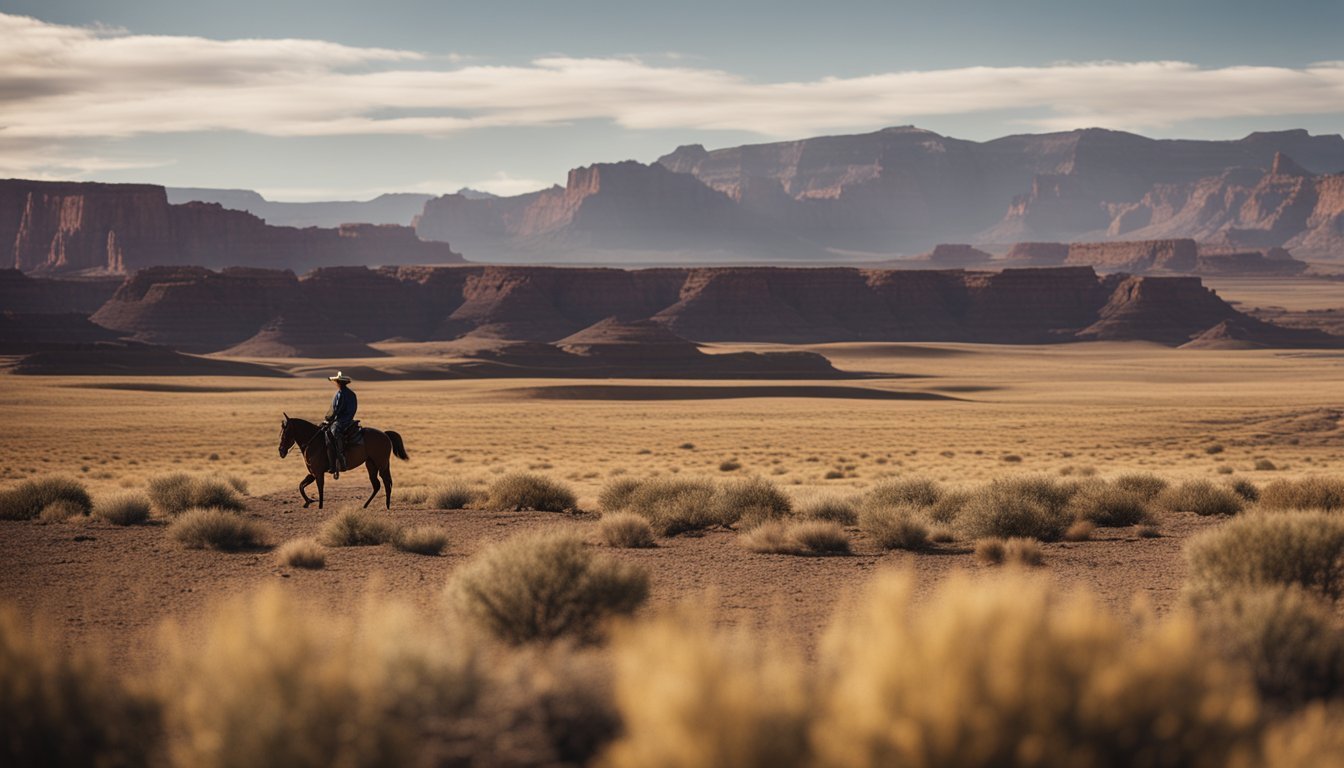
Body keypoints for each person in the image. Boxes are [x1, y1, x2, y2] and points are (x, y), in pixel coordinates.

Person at [323, 371, 358, 478]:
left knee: (334, 432)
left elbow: (338, 409)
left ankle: (340, 455)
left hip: (344, 419)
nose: (336, 383)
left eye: (337, 381)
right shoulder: (342, 393)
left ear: (340, 382)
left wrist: (331, 418)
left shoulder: (344, 393)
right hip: (341, 418)